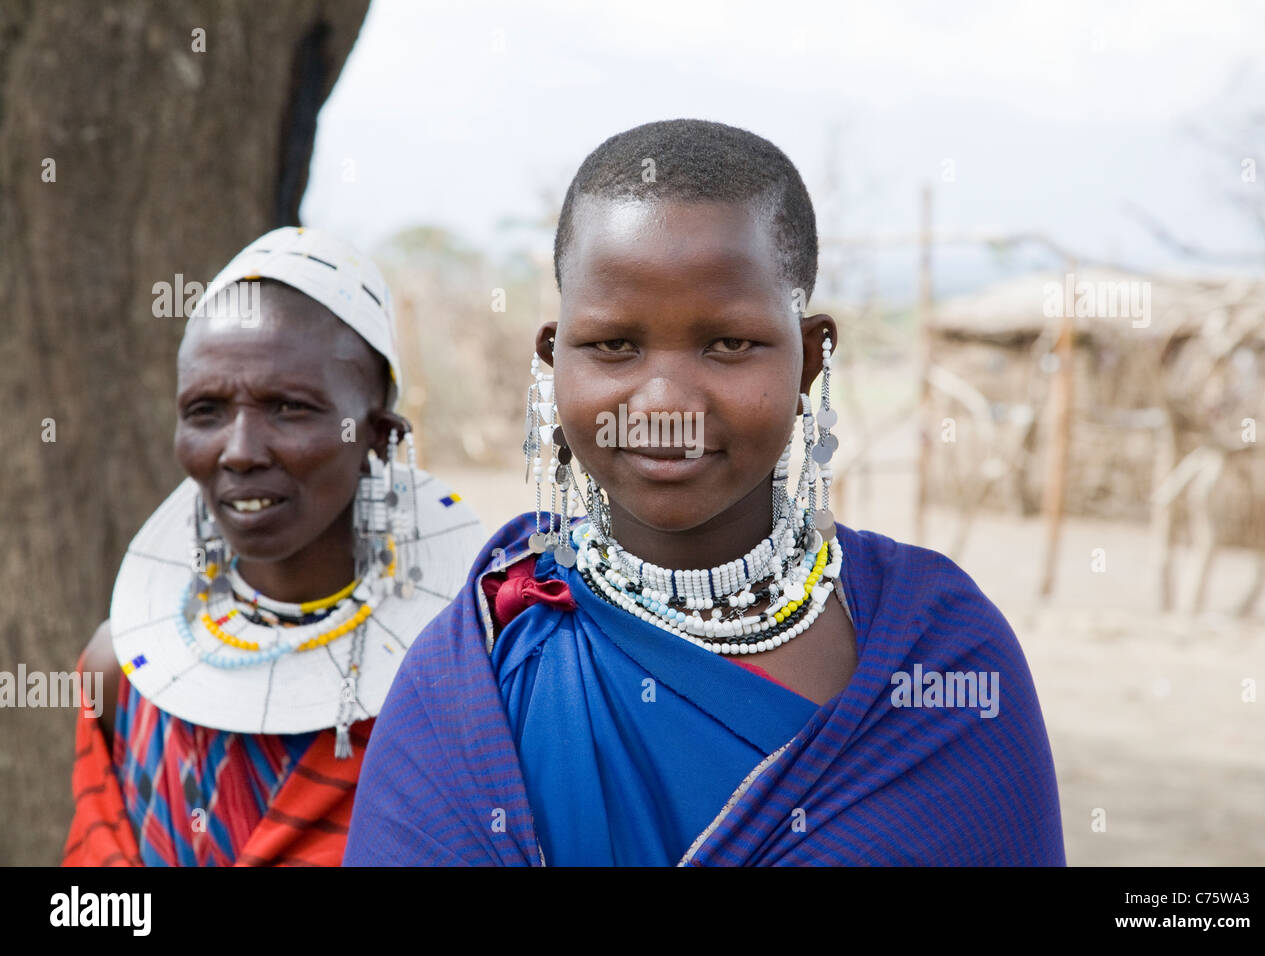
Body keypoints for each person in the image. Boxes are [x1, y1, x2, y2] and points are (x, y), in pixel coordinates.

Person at [344, 120, 1066, 866]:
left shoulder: (940, 651)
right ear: (554, 357)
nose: (663, 403)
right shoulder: (481, 672)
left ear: (810, 358)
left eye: (728, 344)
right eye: (614, 345)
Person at [63, 227, 484, 866]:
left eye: (288, 408)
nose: (238, 450)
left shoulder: (463, 679)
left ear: (378, 434)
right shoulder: (121, 675)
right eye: (206, 410)